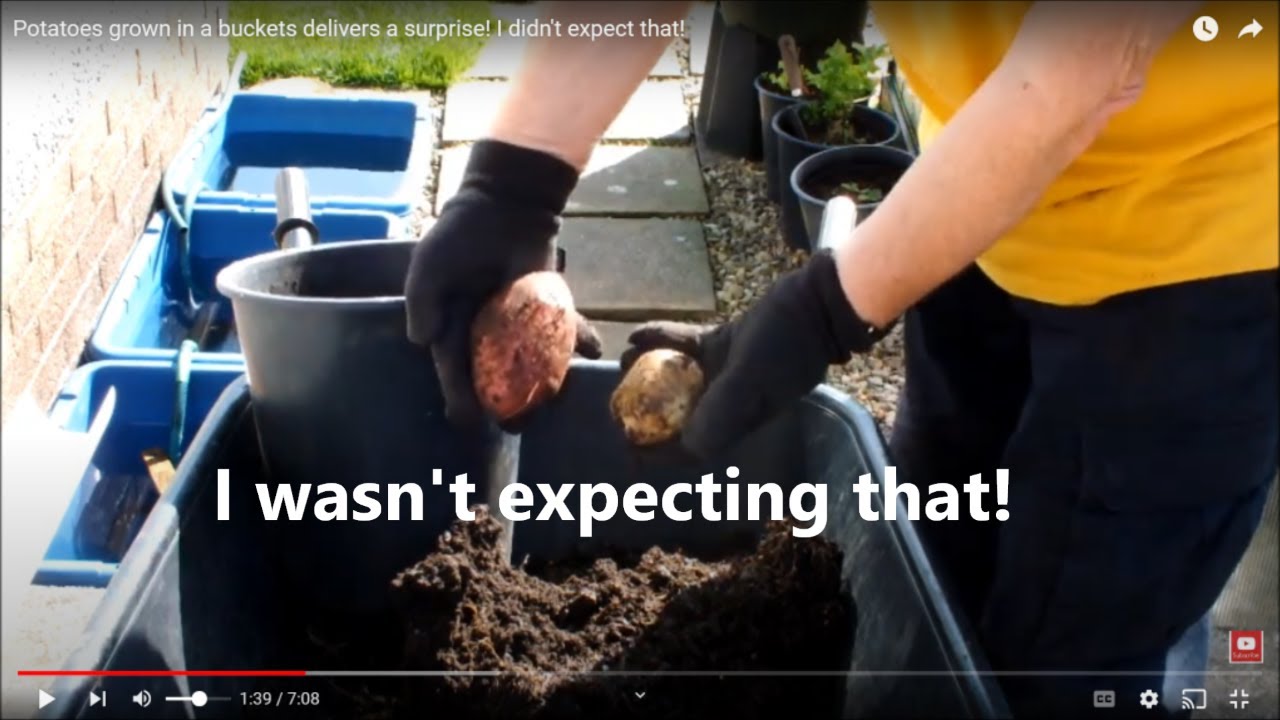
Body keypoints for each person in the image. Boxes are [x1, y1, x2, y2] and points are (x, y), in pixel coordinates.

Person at [405, 1, 1279, 717]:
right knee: (933, 560)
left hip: (1197, 255)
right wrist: (516, 177)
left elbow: (1085, 64)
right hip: (980, 186)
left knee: (1083, 656)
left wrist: (829, 307)